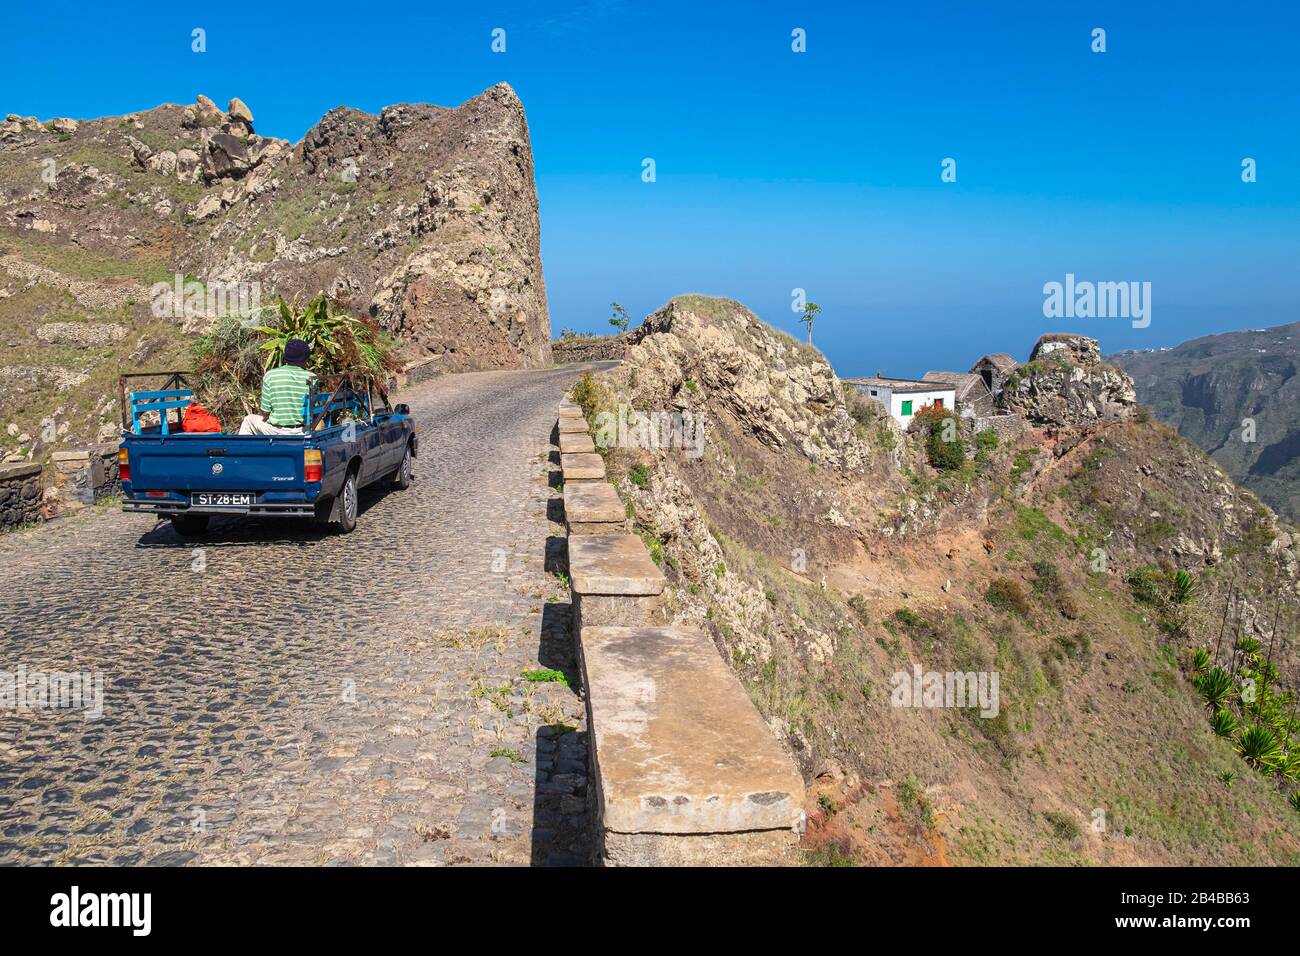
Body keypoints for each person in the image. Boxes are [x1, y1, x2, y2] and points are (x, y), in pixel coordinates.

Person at [238, 339, 316, 435]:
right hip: (302, 431)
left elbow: (265, 412)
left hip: (275, 431)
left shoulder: (271, 375)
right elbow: (312, 410)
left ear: (285, 356)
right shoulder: (312, 378)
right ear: (306, 358)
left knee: (249, 420)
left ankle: (246, 449)